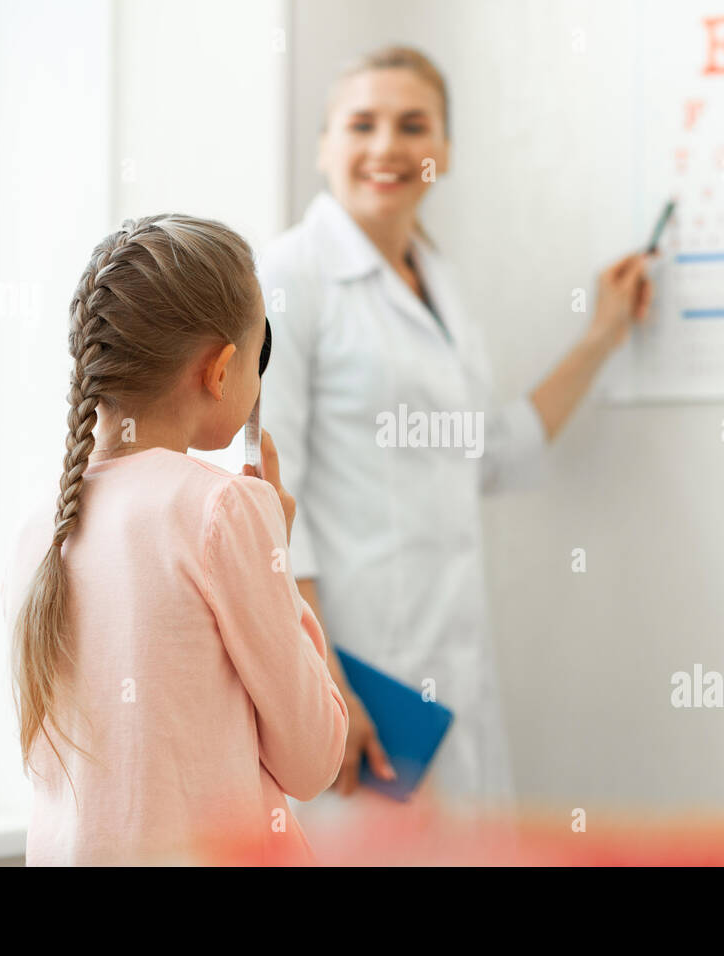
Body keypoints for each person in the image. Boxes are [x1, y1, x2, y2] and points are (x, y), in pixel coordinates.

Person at [258, 47, 654, 827]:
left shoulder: (442, 284)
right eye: (361, 124)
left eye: (414, 125)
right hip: (359, 675)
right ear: (323, 146)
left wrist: (602, 339)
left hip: (452, 666)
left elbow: (490, 453)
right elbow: (272, 496)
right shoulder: (288, 277)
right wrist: (321, 680)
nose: (387, 147)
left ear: (444, 150)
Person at [2, 215, 347, 865]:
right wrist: (278, 550)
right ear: (221, 370)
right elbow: (313, 759)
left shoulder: (35, 534)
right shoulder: (225, 509)